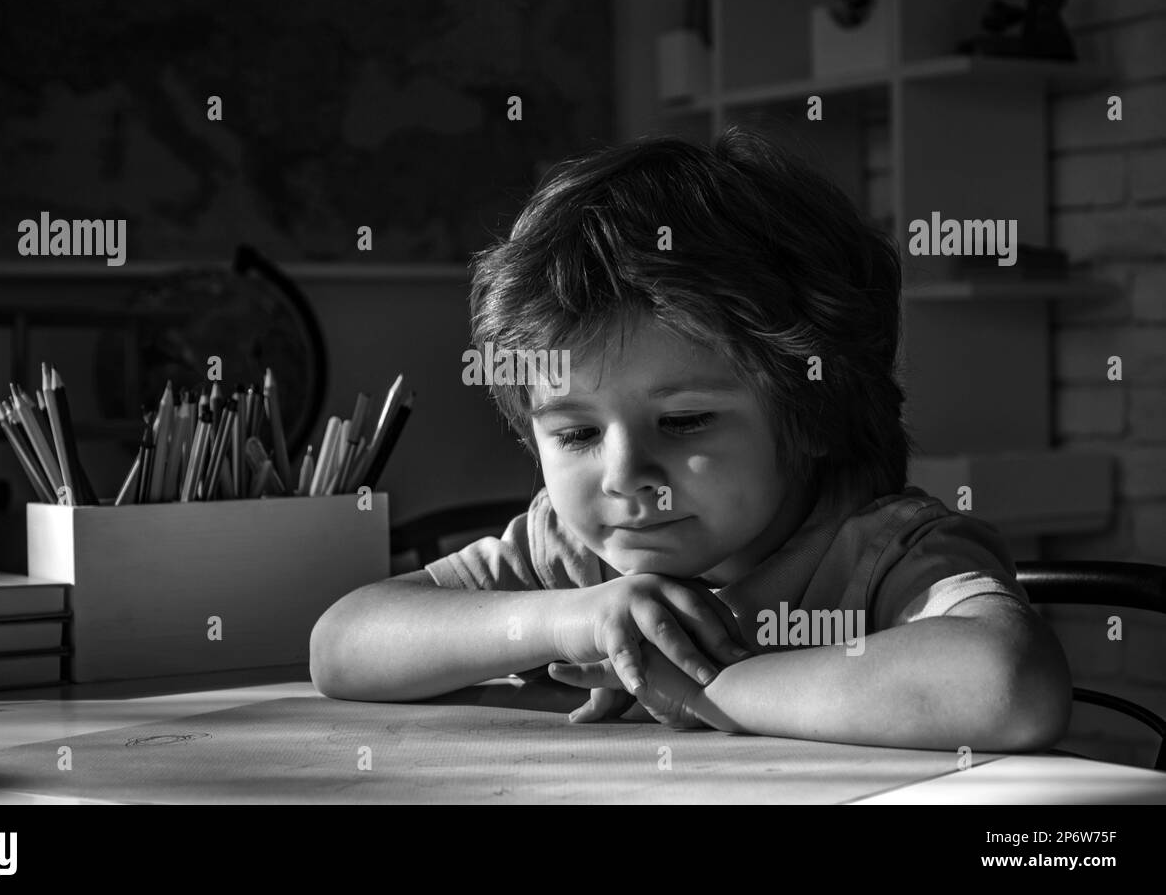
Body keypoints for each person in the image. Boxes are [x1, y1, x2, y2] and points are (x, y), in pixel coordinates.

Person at [310, 127, 1071, 750]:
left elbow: (1006, 684)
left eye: (684, 421)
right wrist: (565, 617)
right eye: (576, 431)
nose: (626, 473)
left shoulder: (879, 554)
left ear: (813, 411)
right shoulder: (575, 558)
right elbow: (341, 644)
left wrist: (709, 688)